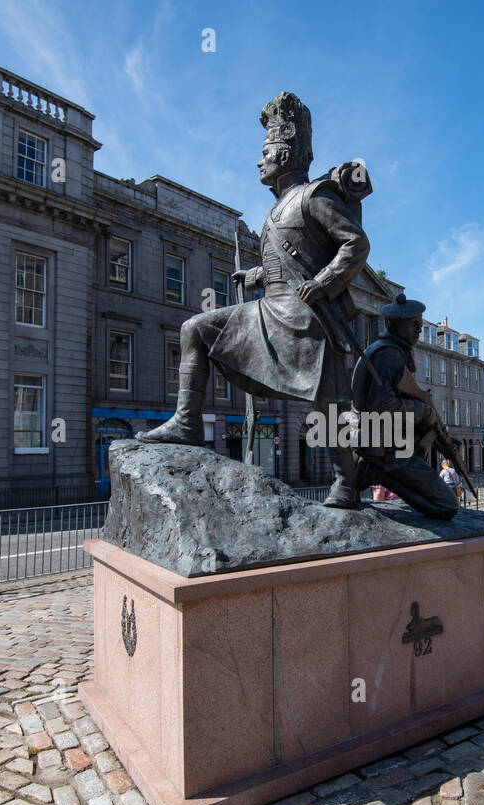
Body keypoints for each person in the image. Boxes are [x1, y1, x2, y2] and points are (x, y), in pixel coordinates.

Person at [139, 92, 372, 510]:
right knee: (195, 328)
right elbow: (287, 263)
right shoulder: (274, 211)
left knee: (329, 407)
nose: (259, 160)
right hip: (271, 309)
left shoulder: (314, 196)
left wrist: (323, 282)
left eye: (265, 152)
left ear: (285, 153)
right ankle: (187, 423)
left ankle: (346, 483)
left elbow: (355, 244)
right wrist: (258, 274)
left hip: (306, 315)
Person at [347, 294, 460, 520]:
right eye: (413, 324)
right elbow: (383, 404)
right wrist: (424, 411)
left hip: (384, 443)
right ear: (392, 324)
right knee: (446, 505)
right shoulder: (389, 355)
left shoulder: (388, 350)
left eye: (420, 323)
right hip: (385, 450)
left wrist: (442, 440)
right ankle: (377, 471)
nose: (419, 329)